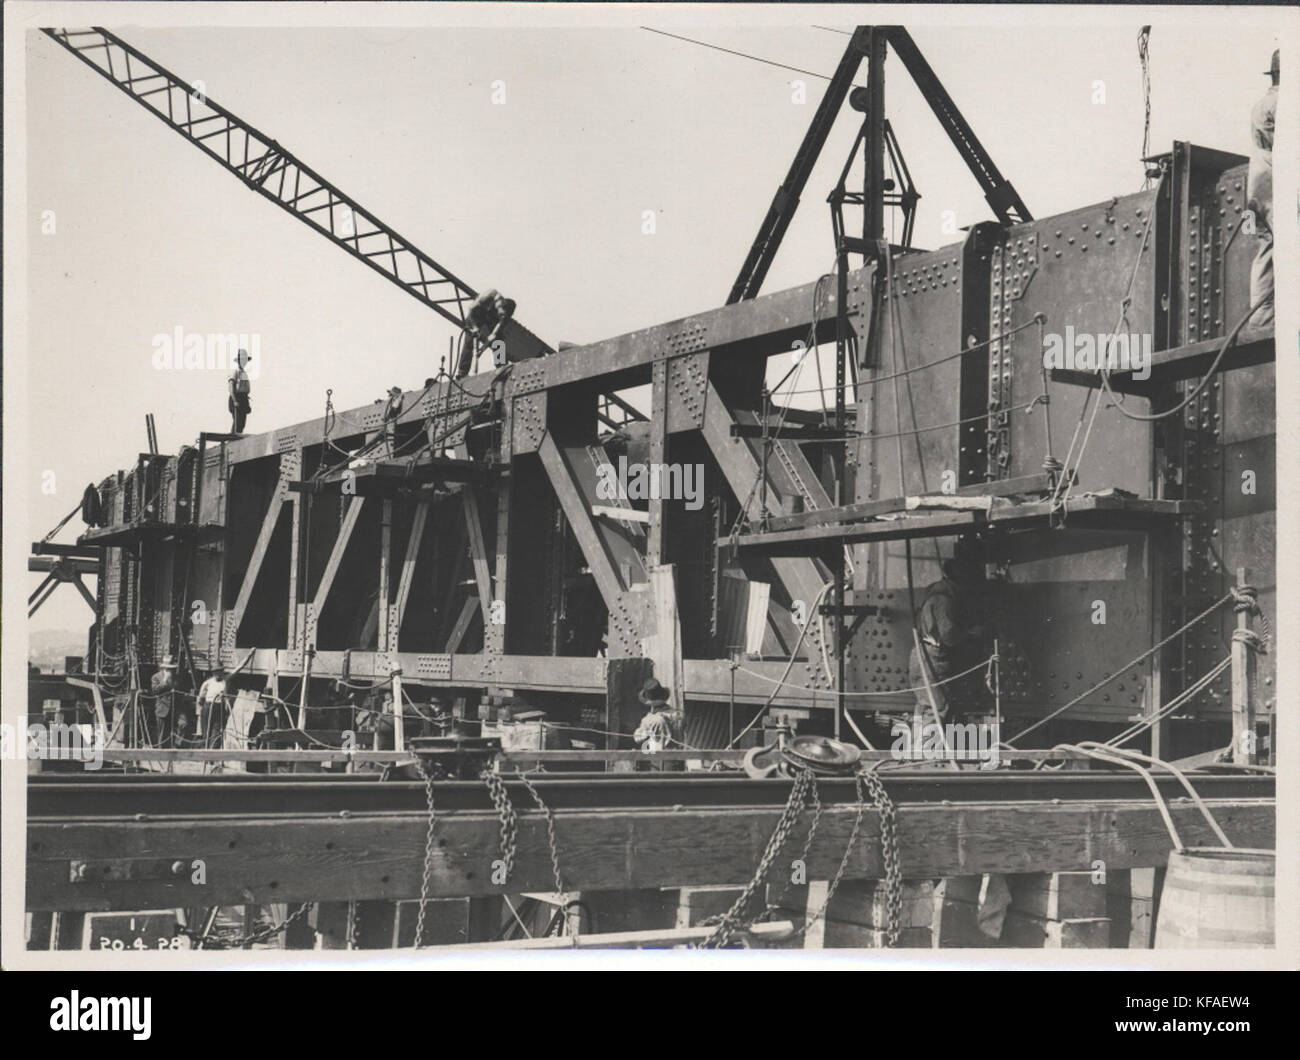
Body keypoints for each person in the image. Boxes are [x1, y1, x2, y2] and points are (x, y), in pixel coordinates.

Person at [907, 546, 988, 722]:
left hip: (926, 655)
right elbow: (949, 635)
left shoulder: (937, 590)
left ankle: (924, 748)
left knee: (929, 709)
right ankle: (927, 749)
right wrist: (971, 633)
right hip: (932, 659)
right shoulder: (943, 598)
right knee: (936, 710)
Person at [1247, 50, 1278, 329]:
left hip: (1257, 185)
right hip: (1276, 180)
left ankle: (1261, 318)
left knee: (1266, 245)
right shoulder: (1285, 102)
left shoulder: (1260, 104)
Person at [632, 677, 684, 755]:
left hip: (659, 761)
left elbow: (637, 738)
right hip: (679, 758)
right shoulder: (678, 715)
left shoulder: (649, 720)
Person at [196, 666, 228, 743]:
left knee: (216, 734)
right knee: (206, 734)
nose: (218, 674)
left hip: (219, 708)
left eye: (220, 671)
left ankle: (213, 750)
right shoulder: (207, 683)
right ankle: (205, 750)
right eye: (216, 672)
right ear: (213, 673)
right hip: (208, 707)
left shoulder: (225, 683)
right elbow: (200, 699)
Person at [228, 348, 252, 433]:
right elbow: (231, 386)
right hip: (237, 397)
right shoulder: (235, 371)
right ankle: (232, 440)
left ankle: (237, 441)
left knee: (242, 423)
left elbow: (245, 388)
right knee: (237, 422)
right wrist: (235, 400)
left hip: (243, 398)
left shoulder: (244, 373)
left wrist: (246, 403)